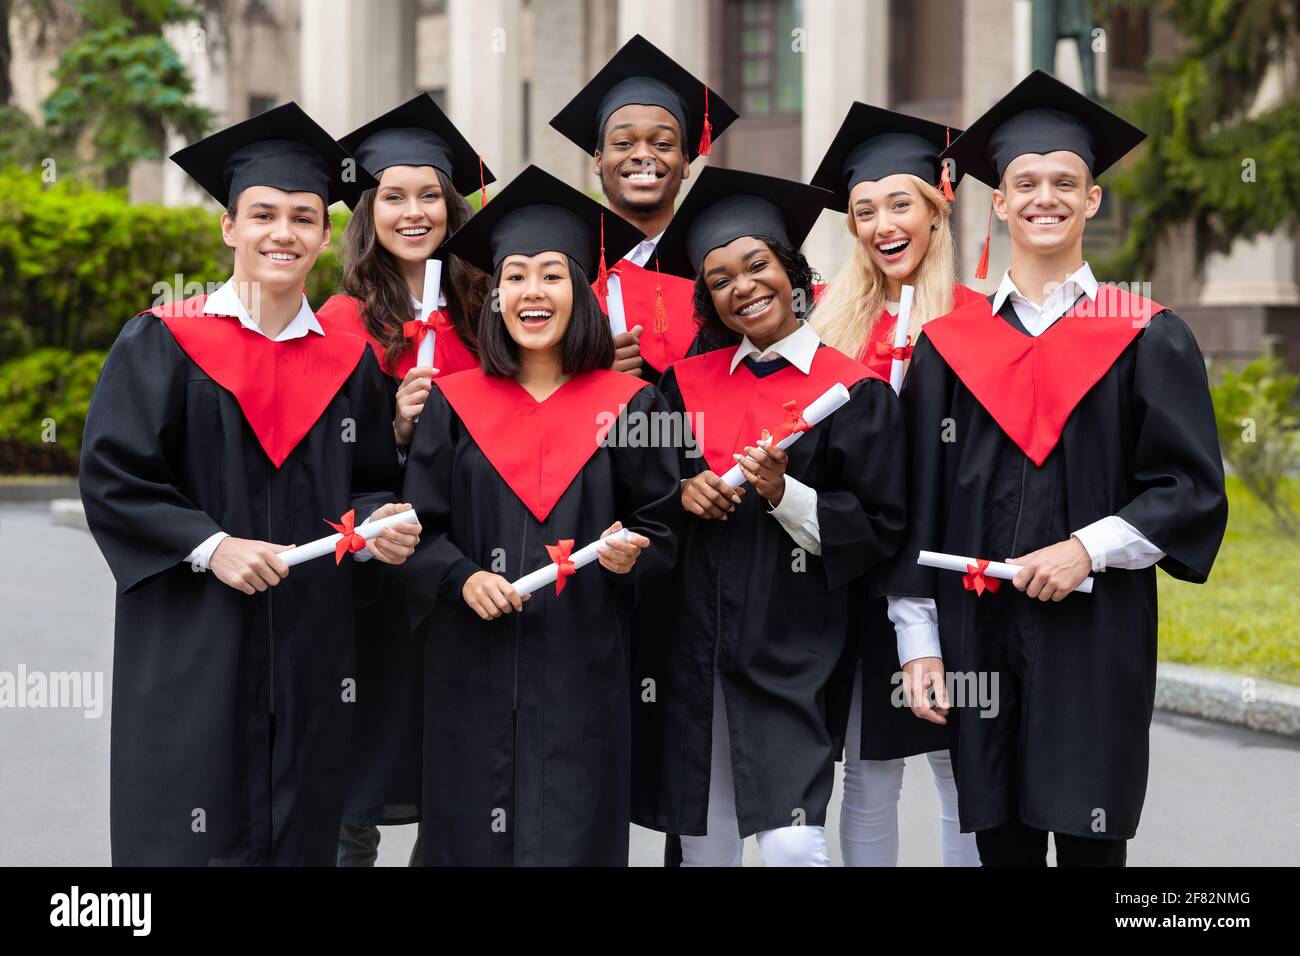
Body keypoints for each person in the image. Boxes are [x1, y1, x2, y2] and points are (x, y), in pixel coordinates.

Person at [884, 71, 1228, 866]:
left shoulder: (1146, 335)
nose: (1047, 197)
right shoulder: (947, 349)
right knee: (999, 844)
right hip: (977, 634)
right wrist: (919, 646)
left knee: (1090, 837)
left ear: (1093, 201)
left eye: (1066, 183)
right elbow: (916, 507)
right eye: (1025, 183)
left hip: (1095, 632)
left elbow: (1189, 491)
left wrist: (1087, 547)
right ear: (998, 202)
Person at [79, 103, 421, 865]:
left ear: (325, 237)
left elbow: (367, 481)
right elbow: (115, 479)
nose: (283, 233)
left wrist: (380, 527)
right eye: (263, 214)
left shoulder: (348, 361)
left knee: (302, 830)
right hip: (195, 640)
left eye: (304, 217)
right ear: (230, 227)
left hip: (312, 646)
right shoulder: (165, 339)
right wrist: (212, 544)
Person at [392, 165, 681, 865]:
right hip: (468, 663)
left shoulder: (636, 405)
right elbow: (419, 525)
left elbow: (666, 527)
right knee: (465, 835)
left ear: (582, 293)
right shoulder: (453, 405)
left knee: (572, 833)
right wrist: (460, 577)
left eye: (552, 275)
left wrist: (632, 555)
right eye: (515, 275)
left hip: (585, 663)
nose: (532, 291)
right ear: (495, 296)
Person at [632, 166, 908, 866]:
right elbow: (643, 492)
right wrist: (686, 490)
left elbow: (879, 525)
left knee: (790, 842)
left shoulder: (852, 393)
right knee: (704, 842)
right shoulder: (679, 387)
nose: (743, 287)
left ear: (793, 273)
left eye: (757, 265)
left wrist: (787, 494)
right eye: (720, 279)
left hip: (794, 645)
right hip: (692, 640)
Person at [316, 92, 493, 868]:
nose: (414, 212)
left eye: (431, 196)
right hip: (379, 575)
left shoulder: (495, 310)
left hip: (468, 558)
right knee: (360, 755)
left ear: (455, 210)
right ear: (370, 211)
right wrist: (390, 426)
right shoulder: (341, 320)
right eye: (394, 196)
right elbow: (322, 455)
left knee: (457, 754)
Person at [808, 102, 982, 867]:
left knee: (961, 768)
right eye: (864, 209)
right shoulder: (825, 327)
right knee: (870, 772)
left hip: (952, 572)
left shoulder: (982, 323)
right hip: (853, 572)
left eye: (899, 203)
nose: (882, 223)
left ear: (938, 207)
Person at [550, 33, 739, 384]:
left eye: (663, 143)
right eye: (623, 143)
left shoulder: (716, 268)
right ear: (597, 160)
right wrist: (586, 380)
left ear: (685, 162)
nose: (642, 155)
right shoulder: (563, 272)